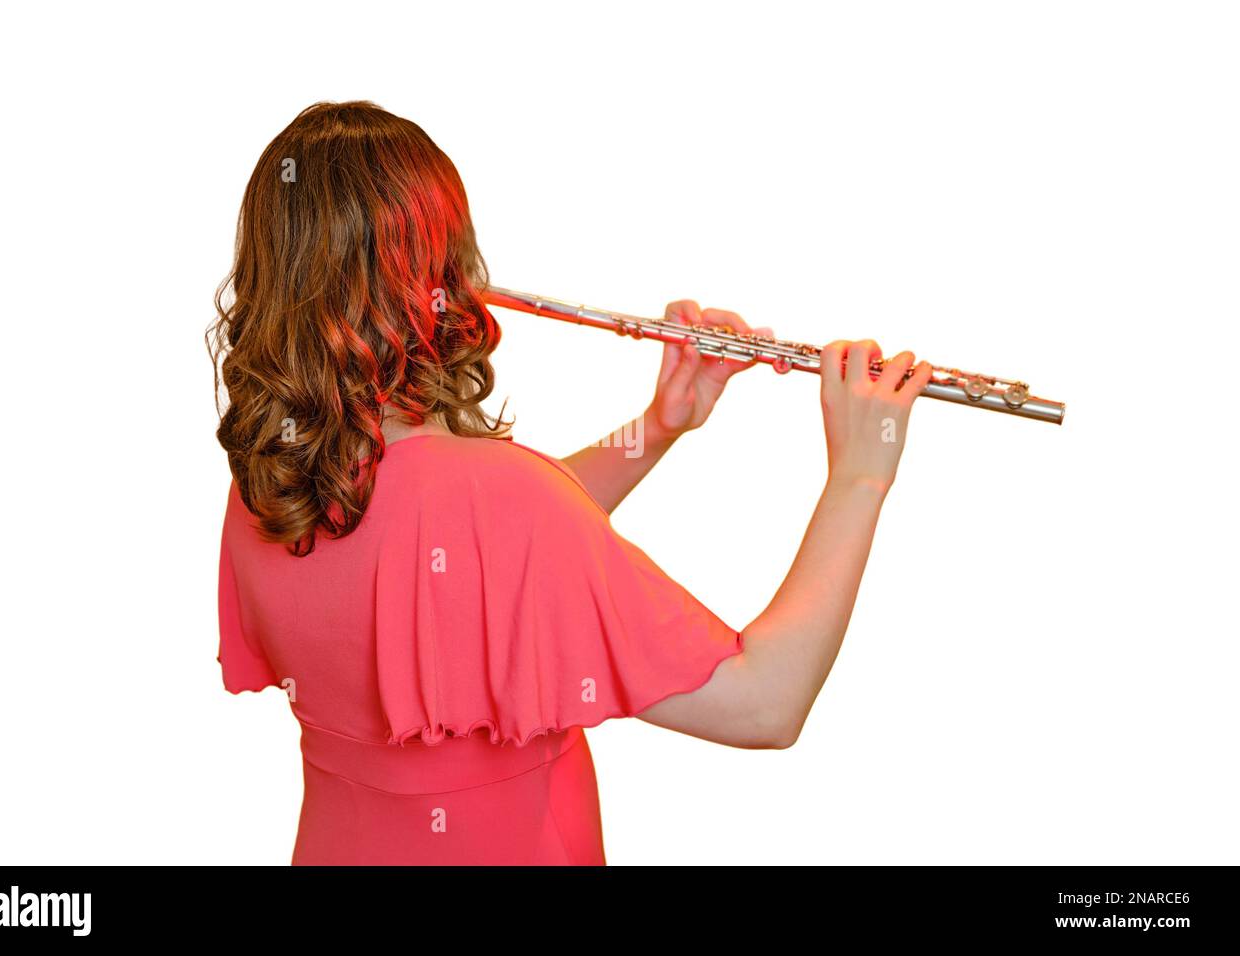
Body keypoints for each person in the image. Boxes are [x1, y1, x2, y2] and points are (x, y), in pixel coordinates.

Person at [210, 101, 933, 865]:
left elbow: (486, 547)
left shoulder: (270, 482)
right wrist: (858, 476)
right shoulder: (501, 501)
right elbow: (766, 703)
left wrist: (656, 426)